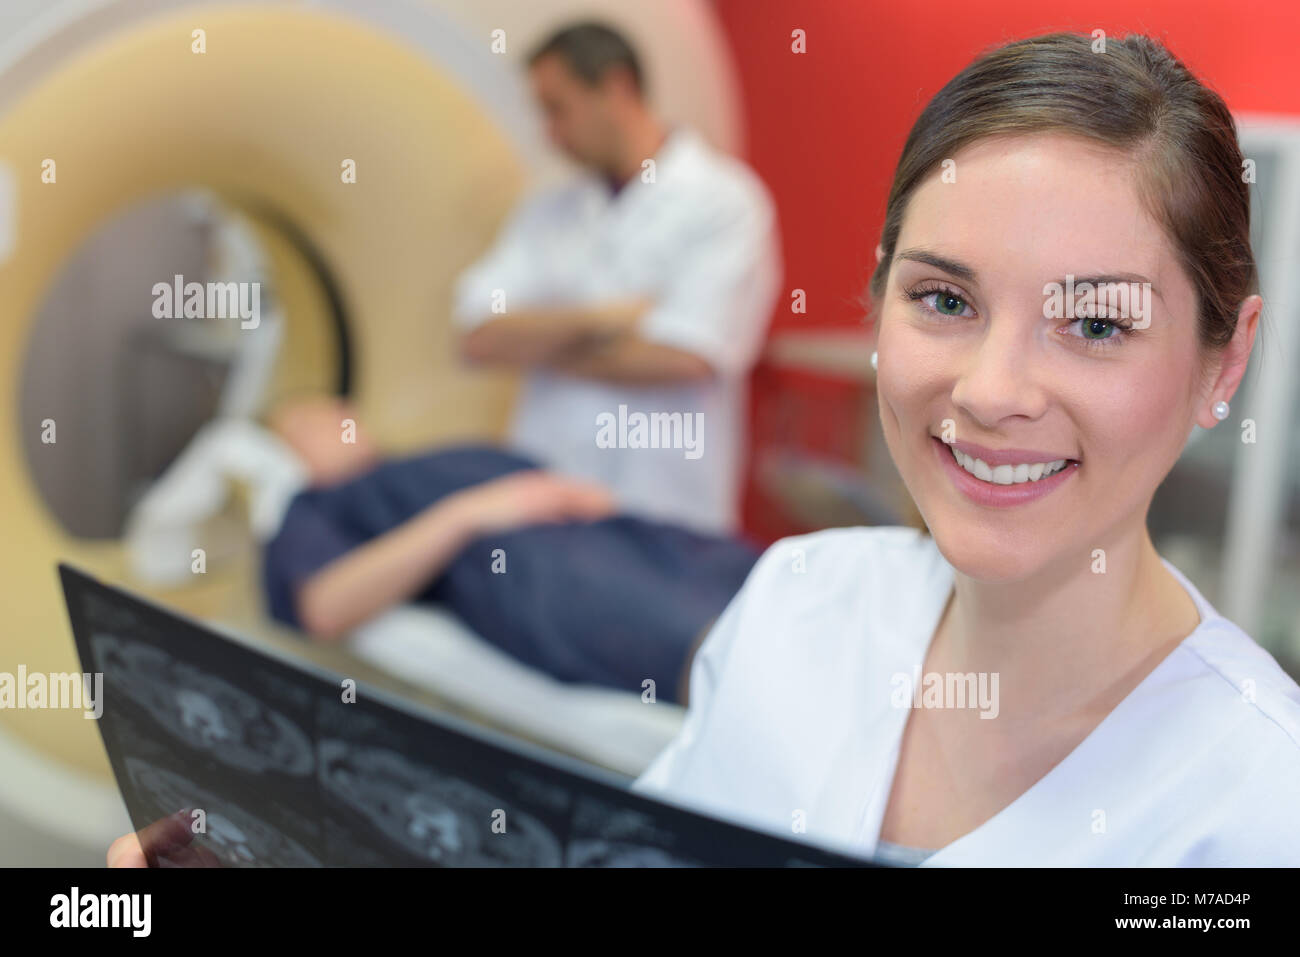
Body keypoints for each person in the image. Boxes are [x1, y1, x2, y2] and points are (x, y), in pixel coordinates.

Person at [631, 32, 1300, 866]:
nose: (990, 391)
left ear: (1224, 362)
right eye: (945, 299)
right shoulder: (794, 608)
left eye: (1096, 323)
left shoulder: (1265, 801)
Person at [452, 21, 781, 535]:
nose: (549, 133)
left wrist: (537, 340)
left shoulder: (725, 201)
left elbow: (685, 357)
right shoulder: (548, 212)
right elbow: (476, 336)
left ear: (617, 87)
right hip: (546, 496)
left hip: (666, 509)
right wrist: (605, 319)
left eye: (558, 109)